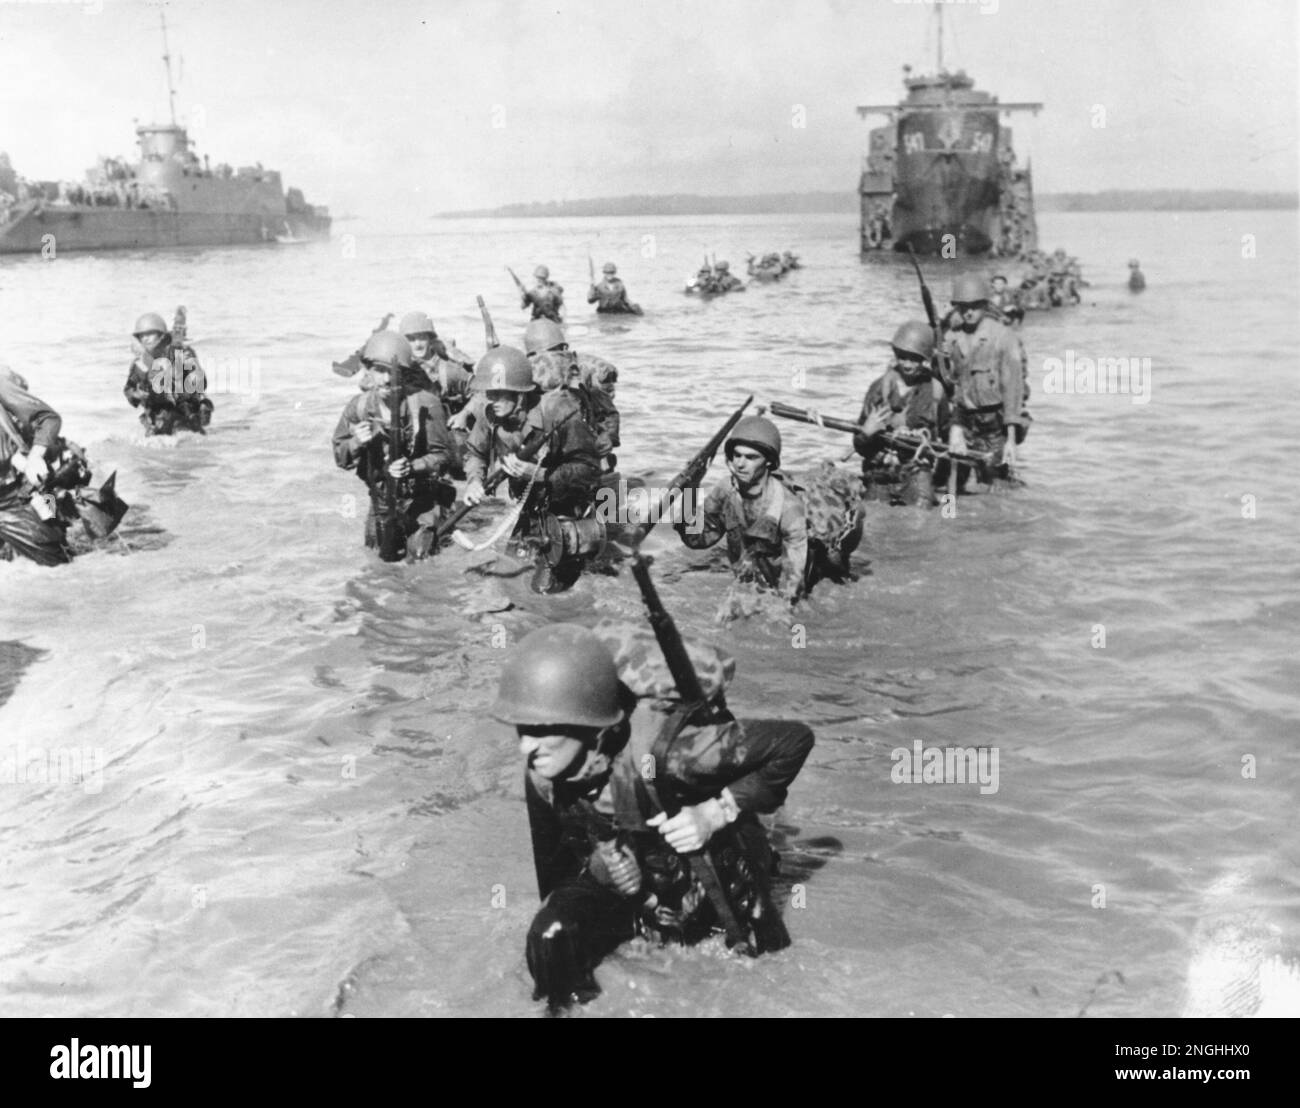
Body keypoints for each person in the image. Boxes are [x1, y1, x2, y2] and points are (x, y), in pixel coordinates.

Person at [495, 620, 814, 1011]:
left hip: (711, 887)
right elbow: (558, 884)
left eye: (541, 730)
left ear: (591, 728)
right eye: (521, 729)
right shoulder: (544, 776)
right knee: (551, 936)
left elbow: (794, 740)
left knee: (761, 984)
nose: (526, 746)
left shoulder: (676, 756)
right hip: (640, 897)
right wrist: (602, 869)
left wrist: (714, 813)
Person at [462, 345, 602, 591]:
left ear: (520, 393)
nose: (492, 400)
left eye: (499, 393)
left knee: (546, 594)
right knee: (509, 581)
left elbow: (589, 471)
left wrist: (540, 475)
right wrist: (474, 480)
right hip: (530, 512)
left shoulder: (558, 412)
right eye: (489, 393)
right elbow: (475, 452)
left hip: (566, 512)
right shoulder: (490, 415)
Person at [331, 331, 458, 561]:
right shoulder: (358, 408)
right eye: (380, 370)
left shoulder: (426, 404)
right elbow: (341, 459)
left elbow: (443, 457)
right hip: (381, 503)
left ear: (404, 373)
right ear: (368, 371)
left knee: (421, 560)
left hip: (420, 501)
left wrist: (413, 466)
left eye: (393, 371)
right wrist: (356, 442)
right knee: (376, 562)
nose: (387, 380)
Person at [675, 416, 809, 599]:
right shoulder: (725, 491)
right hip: (747, 577)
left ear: (769, 461)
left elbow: (793, 582)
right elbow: (697, 540)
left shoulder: (788, 509)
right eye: (737, 455)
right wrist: (691, 488)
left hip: (779, 582)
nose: (740, 464)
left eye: (751, 457)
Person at [853, 321, 952, 507]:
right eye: (902, 357)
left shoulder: (936, 392)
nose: (907, 364)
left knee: (922, 522)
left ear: (925, 359)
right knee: (873, 519)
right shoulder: (878, 389)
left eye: (914, 358)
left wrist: (939, 484)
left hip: (916, 472)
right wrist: (866, 433)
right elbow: (860, 447)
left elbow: (945, 443)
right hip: (880, 472)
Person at [943, 276, 1027, 487]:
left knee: (995, 483)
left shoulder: (1002, 337)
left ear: (985, 305)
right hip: (963, 421)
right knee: (953, 484)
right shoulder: (952, 337)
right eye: (963, 307)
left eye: (974, 307)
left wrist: (1010, 439)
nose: (968, 313)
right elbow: (948, 383)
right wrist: (955, 427)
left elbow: (1013, 388)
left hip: (994, 425)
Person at [522, 318, 620, 470]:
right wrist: (608, 436)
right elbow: (609, 412)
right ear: (563, 345)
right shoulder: (588, 369)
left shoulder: (525, 371)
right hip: (586, 456)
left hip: (545, 454)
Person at [123, 311, 212, 435]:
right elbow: (129, 389)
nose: (145, 338)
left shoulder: (180, 352)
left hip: (184, 419)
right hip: (157, 422)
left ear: (161, 335)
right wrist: (137, 394)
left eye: (150, 334)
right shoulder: (140, 364)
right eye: (142, 335)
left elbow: (201, 383)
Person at [398, 310, 475, 419]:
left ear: (430, 339)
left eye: (422, 337)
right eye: (411, 339)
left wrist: (464, 414)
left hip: (444, 430)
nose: (417, 344)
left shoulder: (448, 370)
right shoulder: (402, 370)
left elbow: (480, 392)